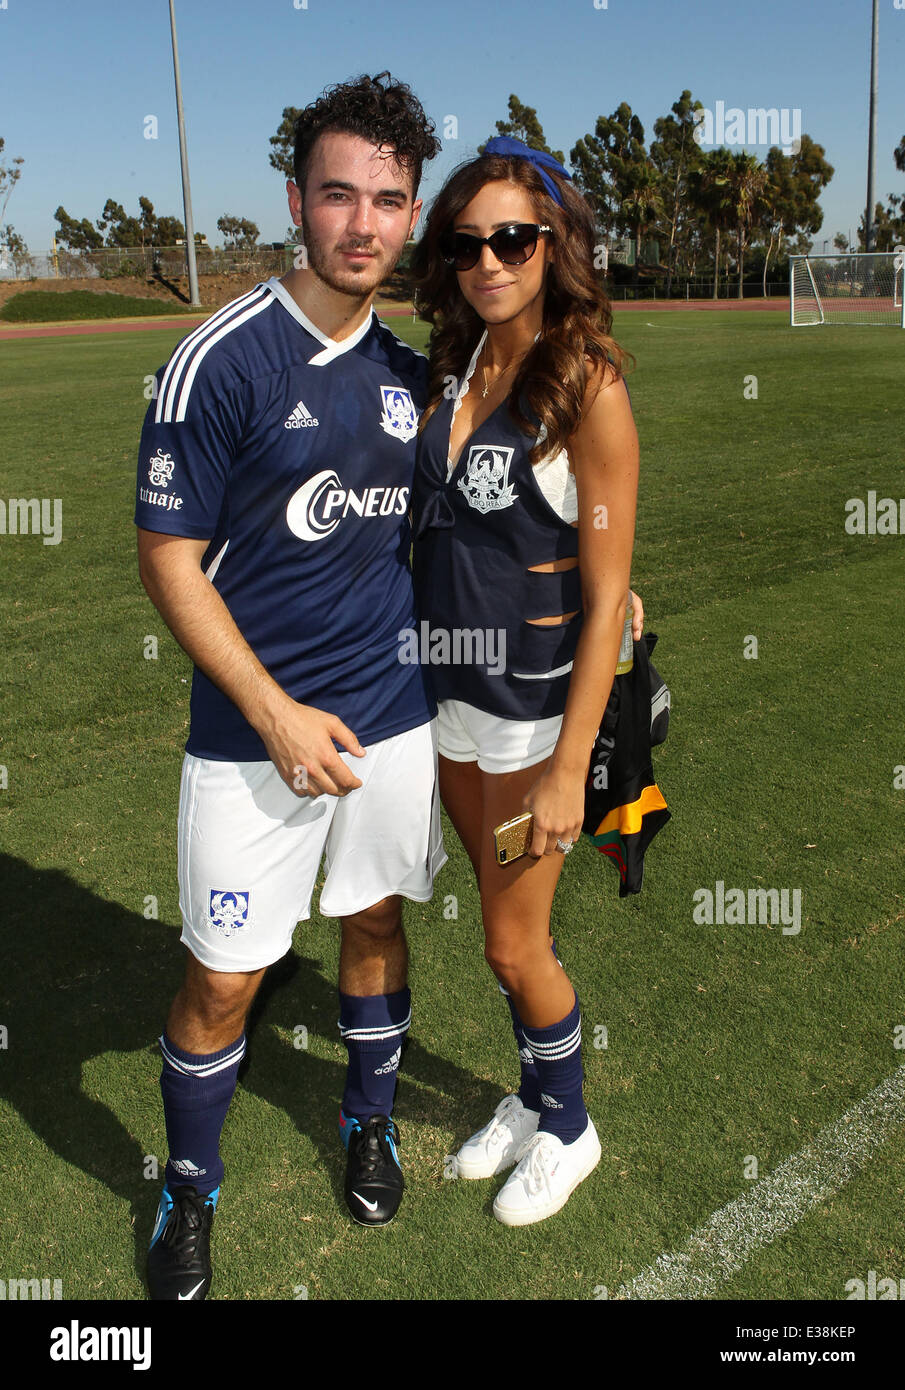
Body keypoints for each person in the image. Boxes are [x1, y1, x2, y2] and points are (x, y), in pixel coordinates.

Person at [134, 72, 442, 1299]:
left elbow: (469, 527)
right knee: (224, 976)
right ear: (296, 200)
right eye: (337, 195)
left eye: (388, 199)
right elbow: (166, 557)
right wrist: (270, 713)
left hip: (390, 721)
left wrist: (600, 587)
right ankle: (189, 1188)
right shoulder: (219, 361)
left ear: (410, 213)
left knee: (374, 921)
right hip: (247, 737)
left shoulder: (414, 378)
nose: (361, 224)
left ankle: (368, 1116)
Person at [410, 136, 641, 1226]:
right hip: (446, 707)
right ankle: (532, 1091)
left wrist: (565, 766)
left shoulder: (584, 384)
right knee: (503, 936)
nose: (490, 261)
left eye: (512, 238)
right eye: (467, 243)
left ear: (553, 245)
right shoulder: (451, 367)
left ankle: (571, 1126)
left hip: (527, 721)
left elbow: (606, 599)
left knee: (513, 941)